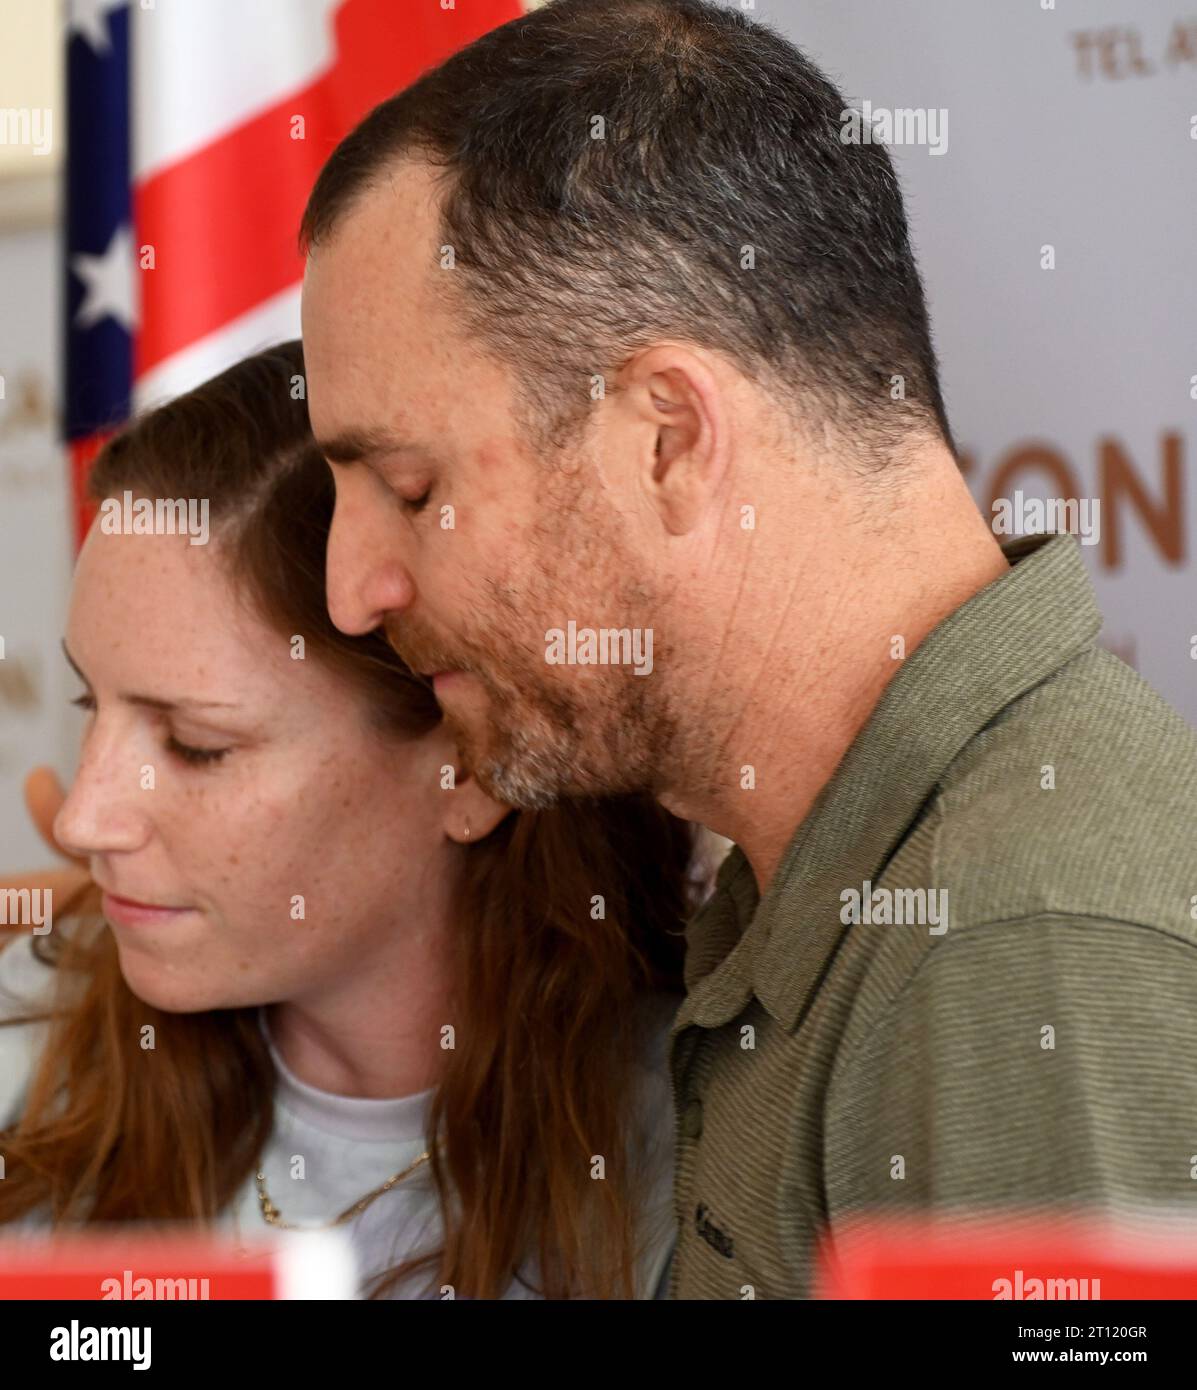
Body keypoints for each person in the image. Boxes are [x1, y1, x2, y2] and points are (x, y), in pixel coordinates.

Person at [298, 0, 1197, 1298]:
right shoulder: (829, 869)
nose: (349, 589)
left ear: (666, 435)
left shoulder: (1011, 957)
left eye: (408, 481)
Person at [0, 338, 705, 1300]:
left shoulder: (691, 1154)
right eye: (93, 706)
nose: (86, 819)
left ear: (471, 771)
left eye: (196, 745)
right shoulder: (30, 1048)